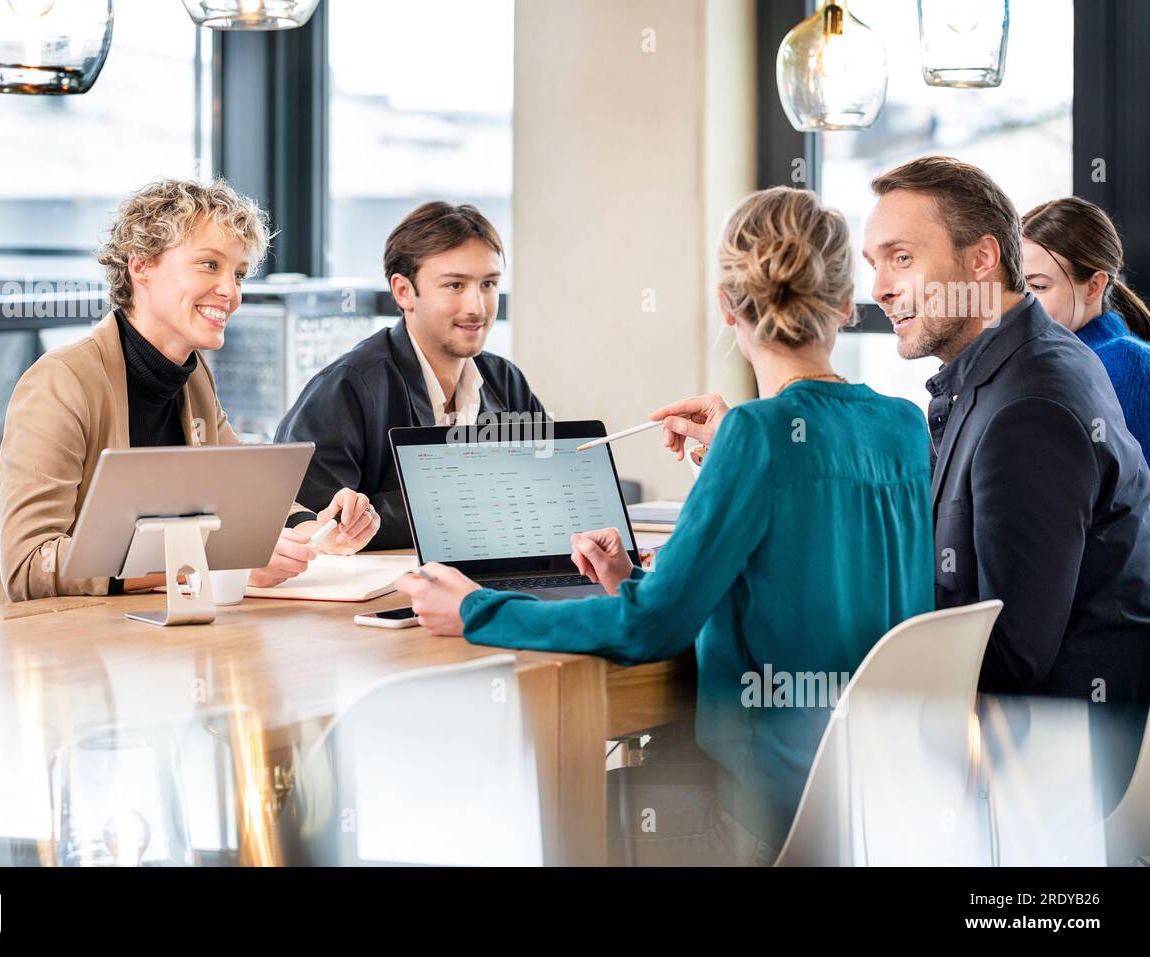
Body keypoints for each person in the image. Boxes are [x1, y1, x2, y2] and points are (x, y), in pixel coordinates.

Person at [397, 186, 934, 865]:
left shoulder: (755, 435)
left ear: (726, 304)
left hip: (763, 823)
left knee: (522, 815)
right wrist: (634, 576)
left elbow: (648, 627)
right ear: (846, 304)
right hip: (874, 814)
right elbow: (797, 575)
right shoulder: (903, 425)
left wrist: (475, 607)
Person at [0, 179, 381, 606]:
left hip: (138, 636)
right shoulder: (61, 382)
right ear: (142, 265)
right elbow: (29, 566)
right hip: (42, 646)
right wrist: (213, 560)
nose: (231, 291)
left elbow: (245, 490)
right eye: (209, 265)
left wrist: (316, 530)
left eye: (239, 274)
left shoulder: (191, 375)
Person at [862, 156, 1150, 705]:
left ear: (982, 259)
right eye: (873, 264)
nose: (879, 288)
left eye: (902, 258)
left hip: (1055, 756)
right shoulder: (1011, 363)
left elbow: (1011, 653)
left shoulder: (1029, 402)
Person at [274, 202, 548, 550]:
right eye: (455, 286)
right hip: (376, 595)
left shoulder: (505, 381)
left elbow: (545, 491)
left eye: (489, 284)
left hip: (482, 580)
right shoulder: (347, 387)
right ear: (404, 291)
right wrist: (470, 501)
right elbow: (316, 526)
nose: (477, 308)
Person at [1021, 196, 1150, 460]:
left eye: (1039, 287)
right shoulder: (1045, 359)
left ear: (1093, 287)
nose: (1022, 302)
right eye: (1017, 286)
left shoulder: (1123, 363)